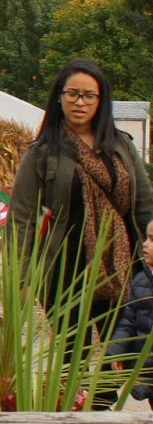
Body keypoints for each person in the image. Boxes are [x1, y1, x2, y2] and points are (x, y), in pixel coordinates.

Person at [11, 59, 153, 332]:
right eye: (72, 94)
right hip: (66, 268)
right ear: (59, 97)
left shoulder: (121, 146)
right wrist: (21, 278)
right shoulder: (42, 153)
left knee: (121, 348)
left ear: (100, 101)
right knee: (71, 352)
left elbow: (144, 205)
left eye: (89, 95)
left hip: (123, 266)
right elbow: (21, 219)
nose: (80, 102)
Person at [108, 218, 153, 404]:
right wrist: (117, 351)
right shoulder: (141, 281)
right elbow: (128, 322)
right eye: (147, 237)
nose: (145, 244)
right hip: (147, 368)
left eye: (152, 239)